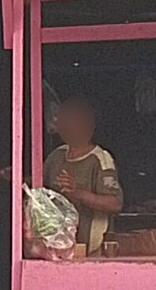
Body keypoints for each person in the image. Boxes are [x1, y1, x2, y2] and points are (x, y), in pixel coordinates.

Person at [43, 96, 123, 255]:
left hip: (94, 251)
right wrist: (18, 177)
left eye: (73, 120)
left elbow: (115, 203)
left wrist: (78, 192)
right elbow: (40, 187)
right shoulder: (56, 156)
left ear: (89, 125)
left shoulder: (101, 159)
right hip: (58, 249)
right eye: (62, 119)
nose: (64, 125)